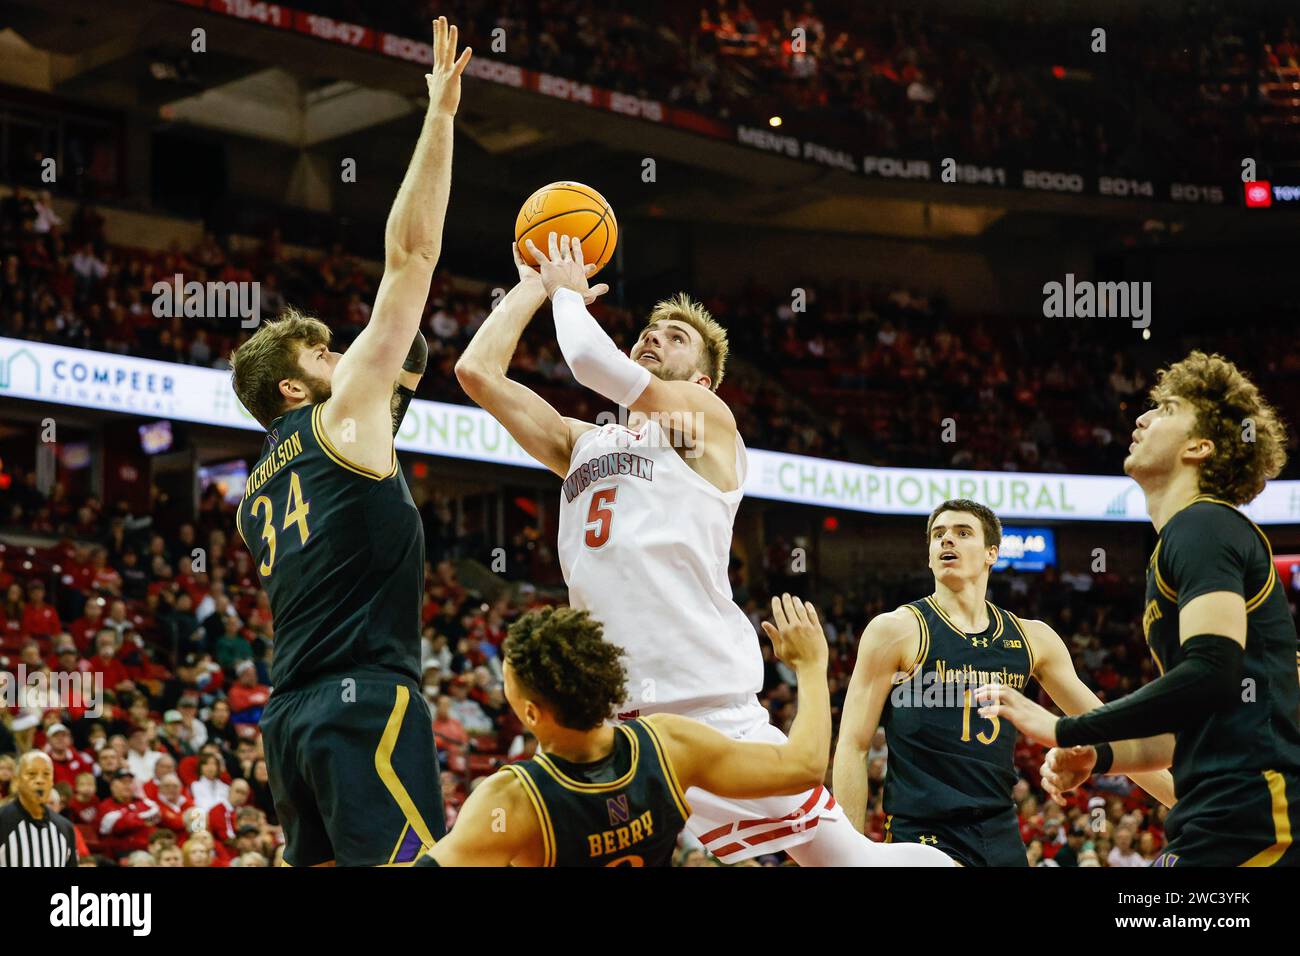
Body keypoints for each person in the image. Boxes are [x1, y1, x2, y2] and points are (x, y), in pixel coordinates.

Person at [454, 234, 944, 867]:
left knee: (848, 863)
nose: (653, 337)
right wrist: (532, 286)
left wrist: (569, 296)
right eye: (649, 330)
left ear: (704, 379)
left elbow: (589, 363)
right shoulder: (584, 443)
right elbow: (477, 373)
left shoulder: (705, 426)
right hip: (605, 715)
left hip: (704, 707)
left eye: (675, 337)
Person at [227, 17, 470, 867]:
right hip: (361, 703)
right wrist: (439, 115)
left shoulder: (252, 496)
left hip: (288, 720)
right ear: (294, 387)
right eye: (322, 351)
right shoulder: (343, 413)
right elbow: (410, 256)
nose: (346, 355)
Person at [982, 351, 1300, 866]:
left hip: (1254, 826)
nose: (1143, 418)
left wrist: (1066, 729)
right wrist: (1102, 756)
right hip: (1221, 825)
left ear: (1199, 447)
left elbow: (1212, 672)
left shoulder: (1204, 525)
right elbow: (1198, 721)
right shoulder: (1184, 540)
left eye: (1167, 410)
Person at [418, 597, 948, 866]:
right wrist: (812, 667)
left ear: (531, 713)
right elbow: (805, 766)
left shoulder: (513, 800)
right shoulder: (667, 743)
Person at [833, 499, 1174, 866]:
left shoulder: (1032, 638)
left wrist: (1185, 800)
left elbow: (1106, 729)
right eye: (938, 535)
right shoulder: (896, 630)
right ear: (930, 555)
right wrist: (848, 855)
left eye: (963, 533)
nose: (947, 540)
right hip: (922, 831)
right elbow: (853, 745)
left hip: (1000, 832)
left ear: (991, 553)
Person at [0, 751, 78, 866]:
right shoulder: (2, 821)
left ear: (52, 781)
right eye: (32, 774)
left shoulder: (65, 828)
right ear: (17, 780)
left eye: (46, 774)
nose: (40, 781)